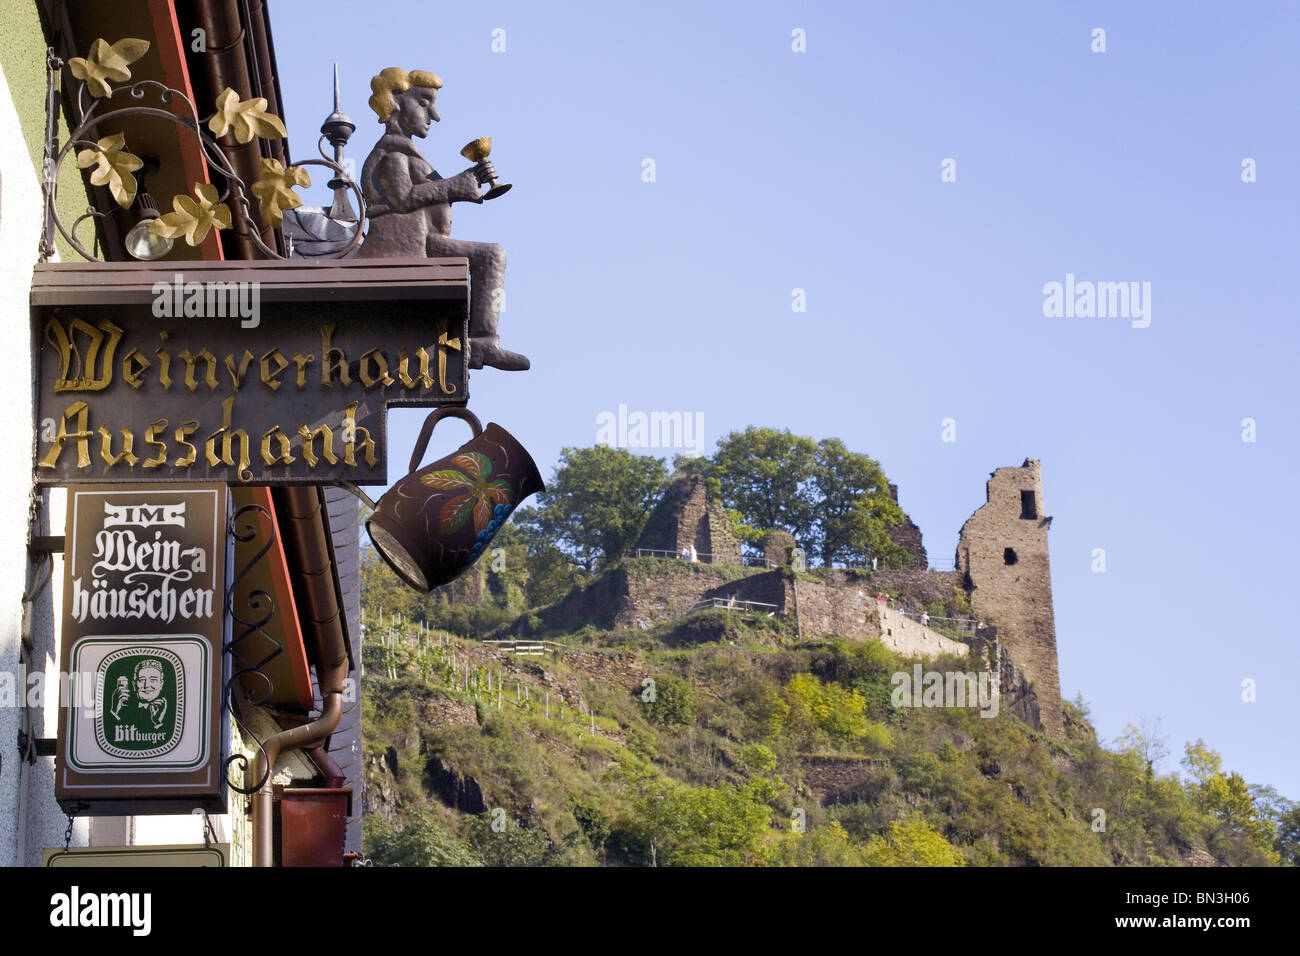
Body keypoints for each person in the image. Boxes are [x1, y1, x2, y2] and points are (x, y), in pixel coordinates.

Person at [358, 67, 528, 371]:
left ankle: (482, 342)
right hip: (406, 245)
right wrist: (455, 186)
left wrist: (472, 182)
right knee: (491, 255)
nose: (434, 115)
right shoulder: (393, 153)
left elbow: (431, 192)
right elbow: (403, 197)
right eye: (424, 102)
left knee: (492, 255)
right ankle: (482, 344)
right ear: (396, 100)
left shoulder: (408, 152)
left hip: (421, 239)